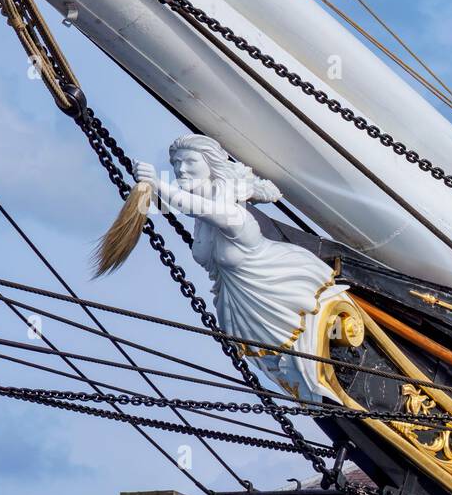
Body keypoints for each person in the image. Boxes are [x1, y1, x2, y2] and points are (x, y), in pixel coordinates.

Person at [131, 134, 347, 397]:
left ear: (211, 166)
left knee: (310, 369)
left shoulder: (231, 213)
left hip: (280, 293)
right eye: (176, 164)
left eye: (189, 161)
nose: (180, 169)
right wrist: (152, 189)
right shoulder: (201, 222)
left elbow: (195, 207)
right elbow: (190, 209)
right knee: (288, 376)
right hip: (239, 308)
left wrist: (159, 185)